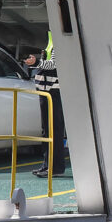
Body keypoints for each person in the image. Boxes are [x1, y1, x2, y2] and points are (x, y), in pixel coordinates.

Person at [29, 34, 66, 178]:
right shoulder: (51, 39)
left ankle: (54, 167)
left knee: (54, 130)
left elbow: (53, 64)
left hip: (52, 91)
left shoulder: (57, 41)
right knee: (47, 130)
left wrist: (36, 62)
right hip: (45, 90)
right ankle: (47, 165)